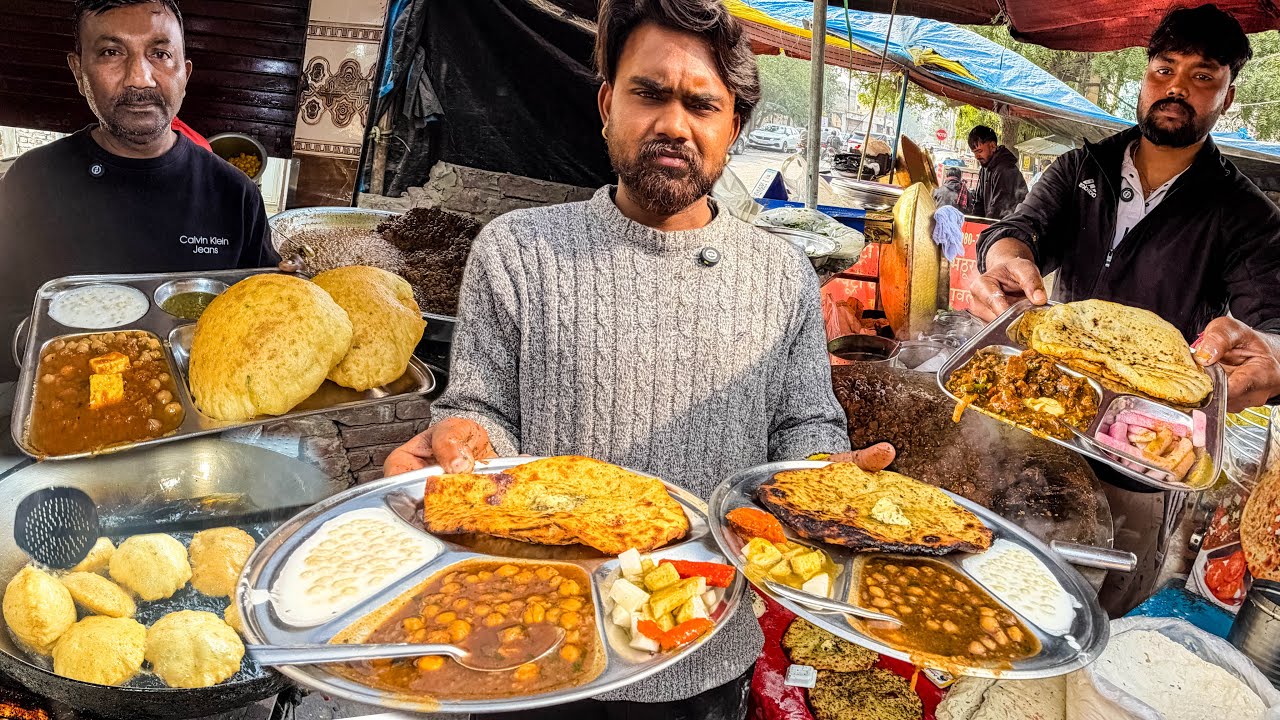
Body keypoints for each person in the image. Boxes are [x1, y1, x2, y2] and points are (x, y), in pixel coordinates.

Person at [382, 0, 891, 716]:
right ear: (606, 103)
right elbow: (480, 408)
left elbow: (805, 425)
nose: (673, 125)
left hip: (702, 649)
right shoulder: (518, 250)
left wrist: (821, 481)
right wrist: (462, 447)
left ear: (732, 129)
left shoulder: (783, 278)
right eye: (648, 93)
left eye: (701, 104)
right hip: (533, 640)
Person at [968, 4, 1280, 614]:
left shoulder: (1244, 215)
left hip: (1144, 453)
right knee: (999, 583)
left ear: (1228, 95)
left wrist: (1271, 362)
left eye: (1202, 77)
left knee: (1094, 605)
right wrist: (1004, 261)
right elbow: (1018, 231)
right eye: (1164, 69)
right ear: (1144, 74)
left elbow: (1271, 322)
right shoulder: (1082, 168)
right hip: (1044, 423)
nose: (1177, 89)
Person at [0, 0, 278, 382]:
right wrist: (37, 346)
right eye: (111, 52)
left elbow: (262, 312)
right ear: (79, 72)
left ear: (185, 72)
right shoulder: (30, 180)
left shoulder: (236, 193)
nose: (140, 78)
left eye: (160, 53)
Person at [967, 124, 1028, 218]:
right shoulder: (985, 169)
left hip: (1010, 227)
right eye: (974, 152)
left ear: (992, 146)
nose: (976, 156)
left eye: (979, 151)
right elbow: (979, 204)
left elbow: (1000, 211)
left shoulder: (1006, 170)